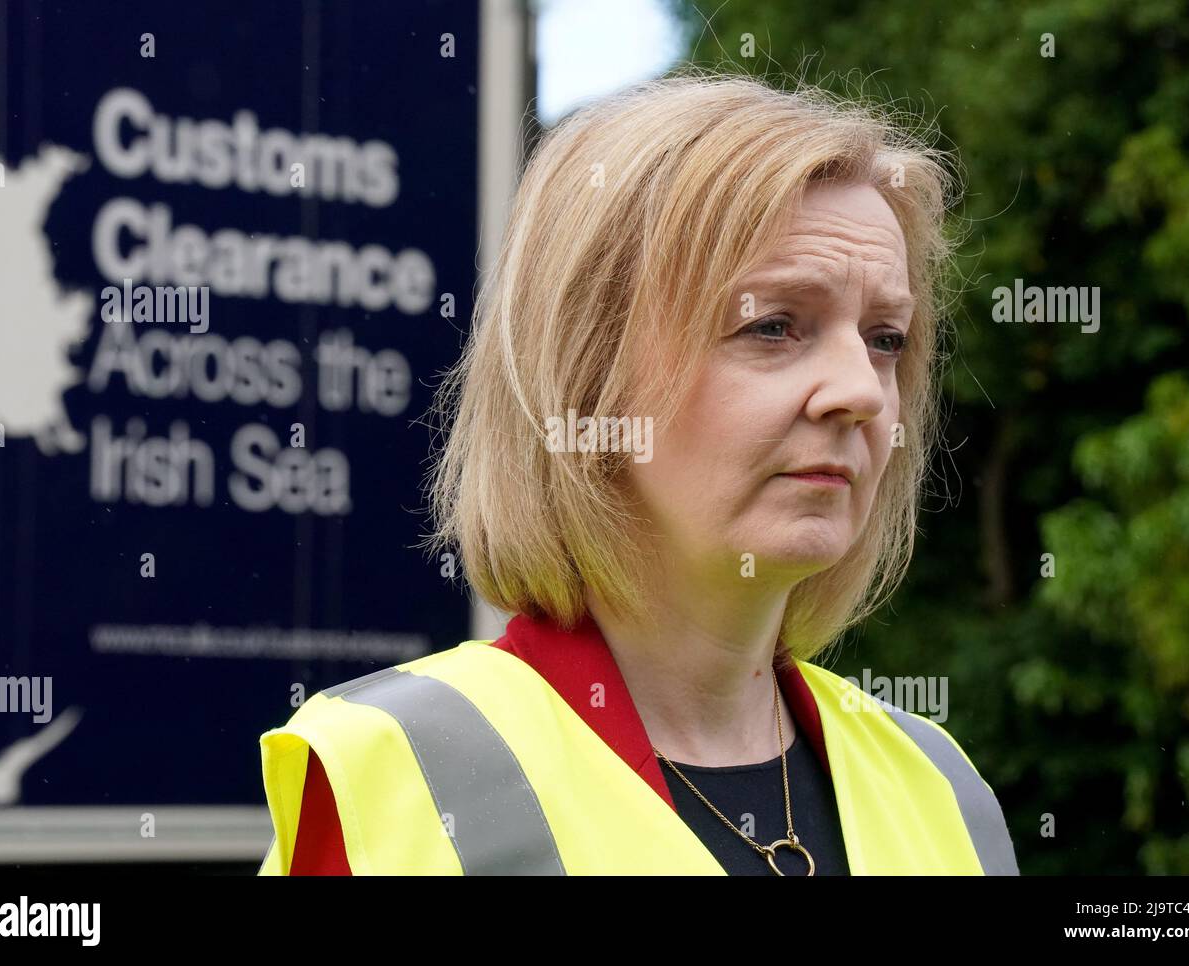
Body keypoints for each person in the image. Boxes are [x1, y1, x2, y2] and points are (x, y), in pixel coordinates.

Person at [257, 69, 1019, 876]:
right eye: (774, 326)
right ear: (586, 373)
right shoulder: (397, 779)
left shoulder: (944, 789)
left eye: (886, 338)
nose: (862, 392)